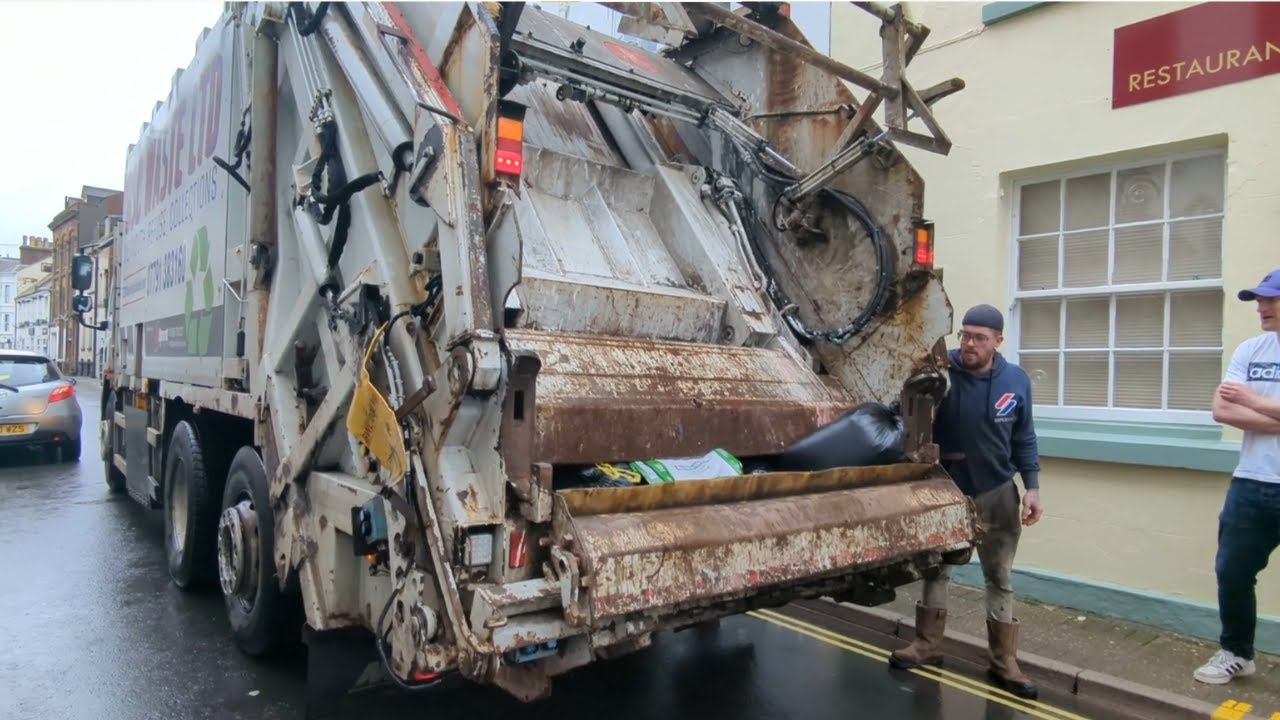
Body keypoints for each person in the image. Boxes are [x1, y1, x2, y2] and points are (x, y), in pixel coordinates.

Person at [889, 303, 1044, 700]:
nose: (970, 344)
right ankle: (927, 644)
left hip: (997, 491)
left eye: (980, 338)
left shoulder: (1016, 381)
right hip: (946, 489)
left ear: (998, 341)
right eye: (966, 335)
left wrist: (1032, 487)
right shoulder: (940, 372)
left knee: (1001, 577)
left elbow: (1024, 437)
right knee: (936, 570)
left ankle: (1003, 659)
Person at [1194, 270, 1280, 685]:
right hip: (1251, 481)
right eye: (1258, 300)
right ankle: (1237, 652)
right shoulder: (1251, 349)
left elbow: (1239, 402)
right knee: (1232, 571)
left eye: (1270, 299)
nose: (1261, 307)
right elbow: (1222, 410)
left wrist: (1252, 398)